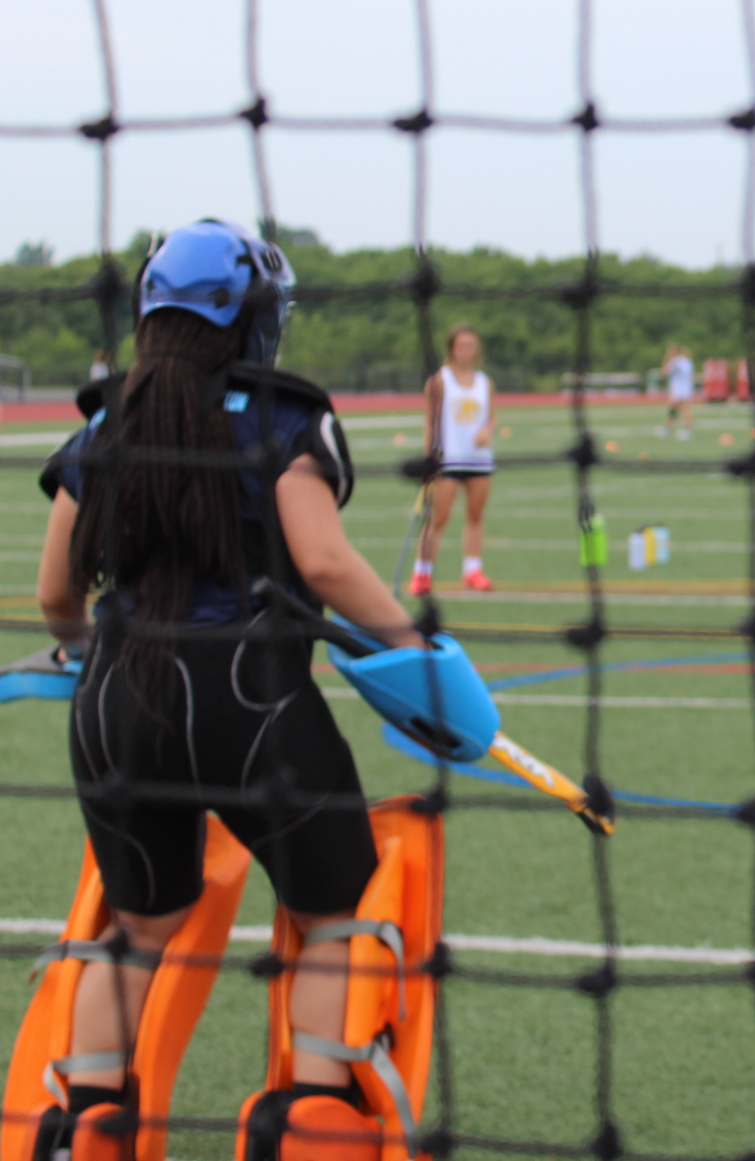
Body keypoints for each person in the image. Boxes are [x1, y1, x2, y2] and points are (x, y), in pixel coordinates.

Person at [27, 219, 427, 1157]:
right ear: (254, 320)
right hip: (251, 699)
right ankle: (310, 1124)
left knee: (138, 927)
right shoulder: (286, 418)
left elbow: (54, 594)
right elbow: (323, 563)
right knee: (332, 911)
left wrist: (81, 652)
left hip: (118, 700)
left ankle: (88, 1124)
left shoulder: (101, 425)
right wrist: (415, 648)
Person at [412, 324, 496, 594]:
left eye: (471, 346)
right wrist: (429, 459)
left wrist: (487, 430)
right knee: (437, 519)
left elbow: (491, 418)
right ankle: (422, 573)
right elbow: (430, 422)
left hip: (479, 460)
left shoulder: (484, 382)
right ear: (451, 349)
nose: (467, 351)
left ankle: (473, 570)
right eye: (462, 346)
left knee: (475, 516)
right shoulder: (439, 381)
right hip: (448, 460)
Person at [659, 343, 695, 440]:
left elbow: (664, 372)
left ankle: (687, 429)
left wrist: (667, 359)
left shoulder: (678, 361)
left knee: (684, 408)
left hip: (682, 388)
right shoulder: (682, 361)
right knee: (674, 408)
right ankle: (668, 427)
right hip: (679, 388)